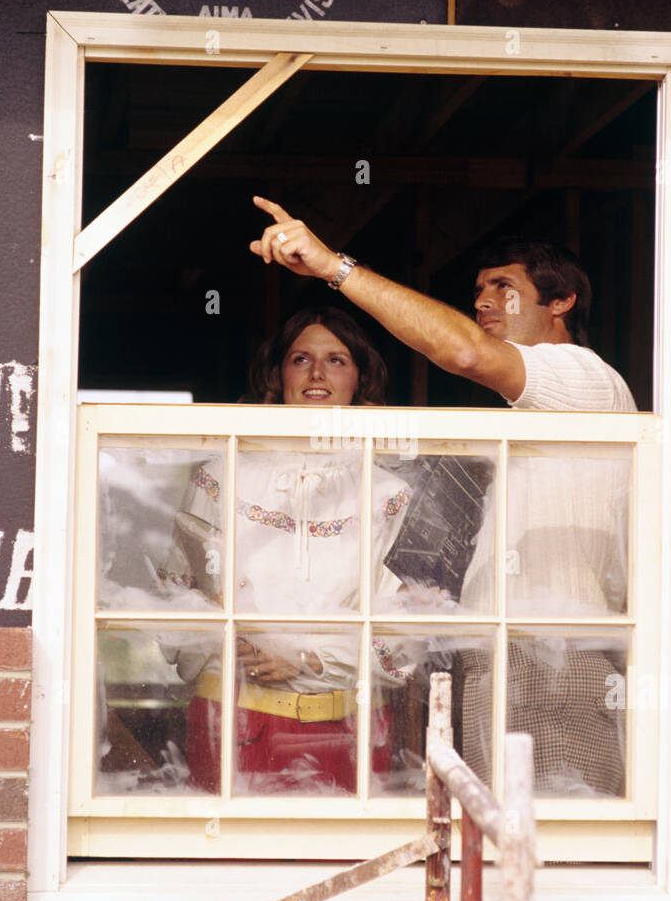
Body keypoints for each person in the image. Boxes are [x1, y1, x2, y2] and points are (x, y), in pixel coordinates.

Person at [248, 197, 636, 796]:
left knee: (555, 848)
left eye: (504, 288)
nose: (482, 302)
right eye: (478, 288)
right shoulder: (533, 412)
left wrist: (333, 267)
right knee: (497, 841)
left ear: (562, 303)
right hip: (501, 663)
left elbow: (462, 353)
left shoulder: (581, 377)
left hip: (557, 663)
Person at [158, 306, 412, 796]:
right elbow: (175, 602)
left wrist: (311, 659)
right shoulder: (222, 471)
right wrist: (228, 635)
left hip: (353, 728)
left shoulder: (391, 492)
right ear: (277, 374)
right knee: (231, 864)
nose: (317, 374)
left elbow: (412, 634)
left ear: (360, 377)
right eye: (301, 359)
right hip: (232, 720)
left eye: (337, 360)